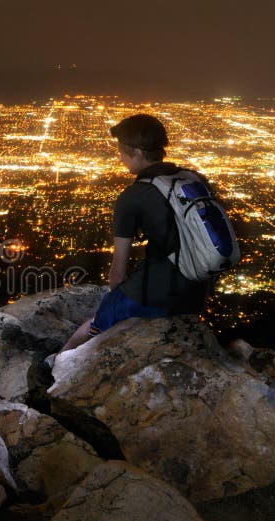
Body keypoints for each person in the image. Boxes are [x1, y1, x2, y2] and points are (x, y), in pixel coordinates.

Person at [60, 114, 210, 351]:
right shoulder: (193, 179)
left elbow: (117, 272)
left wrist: (114, 301)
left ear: (138, 153)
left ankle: (55, 367)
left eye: (122, 151)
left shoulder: (134, 196)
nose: (119, 157)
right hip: (196, 294)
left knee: (92, 325)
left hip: (156, 296)